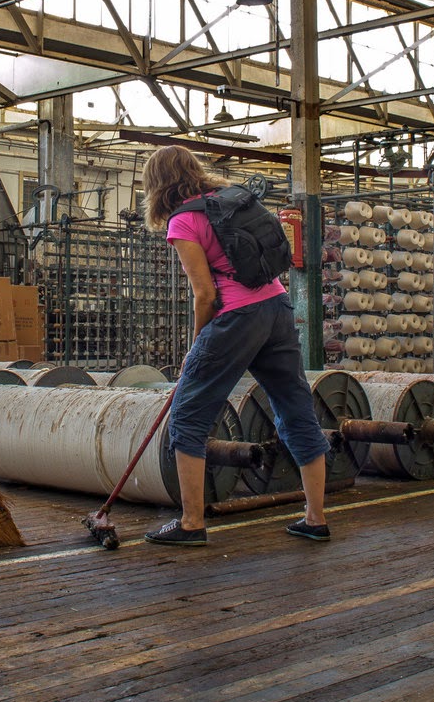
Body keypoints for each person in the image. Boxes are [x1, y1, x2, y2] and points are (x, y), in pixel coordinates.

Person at [140, 145, 331, 546]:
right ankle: (315, 517)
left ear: (156, 185)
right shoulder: (230, 200)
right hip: (277, 306)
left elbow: (205, 294)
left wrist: (198, 345)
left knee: (188, 416)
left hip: (236, 318)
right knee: (296, 409)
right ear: (194, 171)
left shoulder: (184, 222)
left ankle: (191, 523)